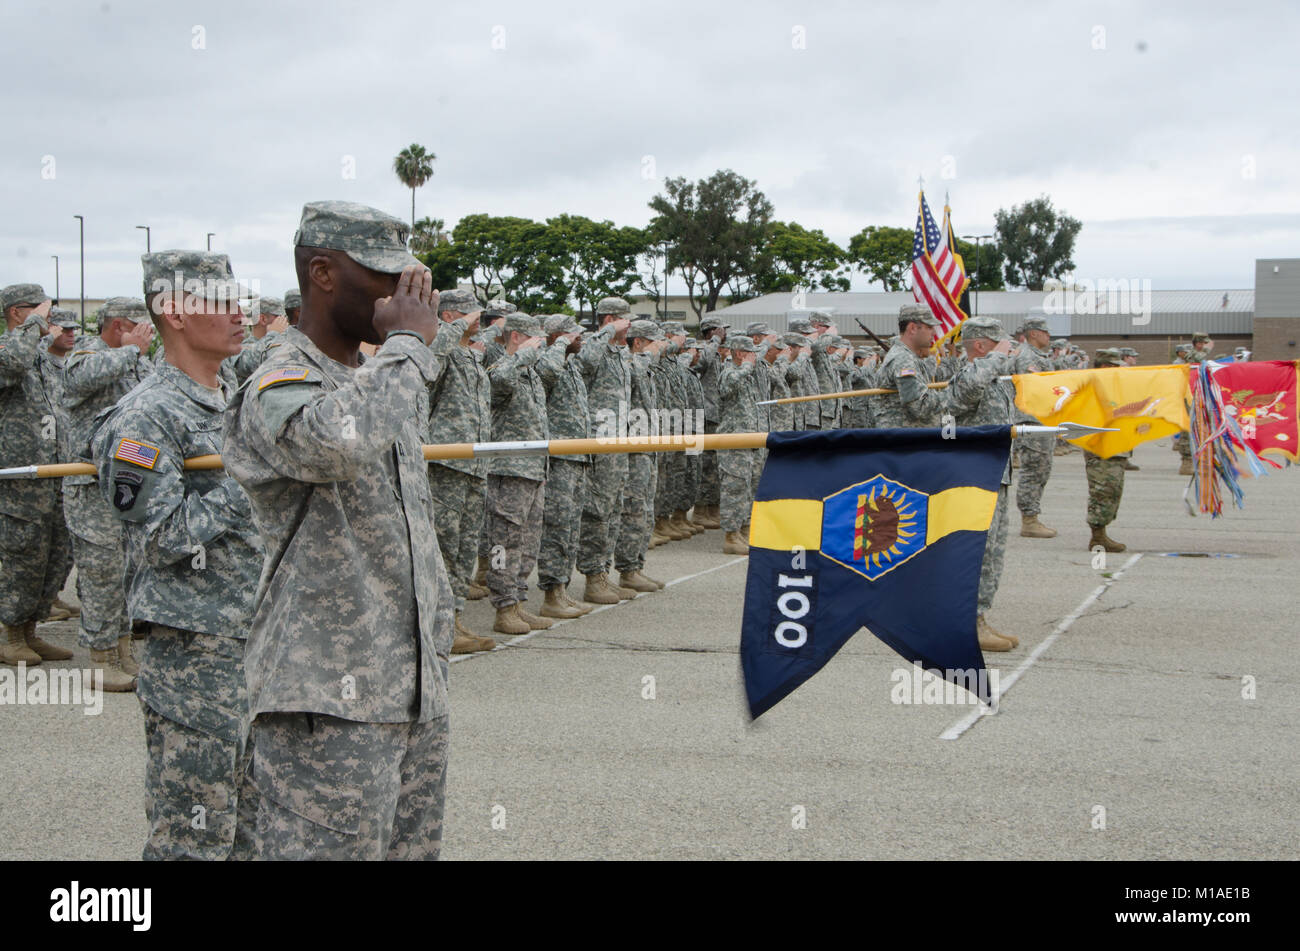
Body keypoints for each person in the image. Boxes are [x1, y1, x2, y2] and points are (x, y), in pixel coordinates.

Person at [222, 201, 453, 860]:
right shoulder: (281, 375)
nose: (400, 296)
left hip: (409, 691)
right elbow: (331, 446)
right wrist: (407, 343)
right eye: (383, 278)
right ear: (323, 273)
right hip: (327, 700)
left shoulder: (374, 377)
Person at [92, 251, 262, 859]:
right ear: (174, 314)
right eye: (219, 303)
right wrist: (247, 483)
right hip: (196, 652)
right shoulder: (145, 417)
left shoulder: (233, 397)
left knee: (253, 824)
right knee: (194, 833)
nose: (240, 314)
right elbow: (160, 537)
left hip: (254, 640)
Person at [64, 296, 157, 690]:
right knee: (101, 573)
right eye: (142, 328)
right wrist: (132, 350)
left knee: (126, 572)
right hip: (91, 488)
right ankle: (100, 660)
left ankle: (122, 651)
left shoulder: (136, 360)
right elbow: (80, 379)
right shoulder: (87, 354)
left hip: (127, 483)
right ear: (120, 326)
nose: (150, 336)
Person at [0, 283, 73, 667]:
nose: (49, 317)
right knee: (21, 557)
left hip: (54, 476)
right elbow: (10, 364)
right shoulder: (9, 350)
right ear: (17, 312)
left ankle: (30, 630)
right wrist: (32, 327)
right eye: (40, 309)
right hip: (20, 483)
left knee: (53, 558)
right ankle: (9, 634)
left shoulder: (43, 358)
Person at [421, 289, 493, 653]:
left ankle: (455, 619)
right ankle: (438, 626)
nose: (477, 320)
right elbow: (428, 360)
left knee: (465, 550)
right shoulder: (440, 348)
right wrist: (451, 328)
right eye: (469, 314)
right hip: (447, 464)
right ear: (449, 317)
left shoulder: (470, 355)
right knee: (445, 548)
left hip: (475, 466)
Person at [945, 317, 1020, 652]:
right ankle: (967, 622)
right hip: (975, 475)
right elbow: (962, 397)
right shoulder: (969, 372)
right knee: (978, 551)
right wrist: (995, 358)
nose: (1006, 349)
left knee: (993, 554)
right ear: (980, 344)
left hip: (997, 472)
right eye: (998, 343)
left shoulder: (995, 375)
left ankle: (980, 617)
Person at [484, 313, 554, 635]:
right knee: (504, 541)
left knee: (528, 541)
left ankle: (519, 602)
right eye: (534, 340)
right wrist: (523, 355)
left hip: (533, 469)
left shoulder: (531, 376)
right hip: (509, 470)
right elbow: (496, 383)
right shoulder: (504, 368)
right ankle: (503, 607)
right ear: (516, 337)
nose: (539, 346)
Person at [576, 298, 635, 605]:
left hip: (619, 440)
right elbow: (584, 362)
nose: (630, 327)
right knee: (598, 510)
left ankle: (604, 572)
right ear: (611, 319)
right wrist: (606, 330)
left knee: (613, 509)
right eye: (624, 321)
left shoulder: (618, 354)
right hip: (600, 439)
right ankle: (592, 576)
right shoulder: (594, 346)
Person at [535, 314, 593, 618]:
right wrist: (558, 345)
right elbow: (545, 373)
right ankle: (550, 592)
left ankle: (562, 590)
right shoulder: (549, 360)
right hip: (559, 457)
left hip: (577, 456)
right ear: (558, 337)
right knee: (557, 525)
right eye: (573, 334)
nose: (579, 338)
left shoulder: (571, 365)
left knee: (571, 526)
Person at [614, 320, 666, 591]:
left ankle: (636, 564)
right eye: (653, 342)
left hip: (648, 446)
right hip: (634, 448)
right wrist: (645, 355)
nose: (660, 348)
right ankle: (627, 568)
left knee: (646, 509)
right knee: (633, 509)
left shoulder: (647, 369)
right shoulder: (629, 363)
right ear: (638, 343)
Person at [1013, 311, 1060, 538]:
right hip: (1031, 420)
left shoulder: (1040, 356)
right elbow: (1036, 388)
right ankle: (1029, 519)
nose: (1049, 336)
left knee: (1043, 468)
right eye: (1045, 332)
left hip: (1043, 420)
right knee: (1033, 470)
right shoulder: (1027, 357)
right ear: (1033, 333)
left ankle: (1033, 516)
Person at [717, 337, 763, 555]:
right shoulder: (729, 372)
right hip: (733, 439)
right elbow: (727, 387)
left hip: (747, 439)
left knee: (745, 487)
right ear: (739, 354)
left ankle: (742, 530)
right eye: (750, 353)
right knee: (733, 487)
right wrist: (746, 367)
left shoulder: (747, 375)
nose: (754, 357)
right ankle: (730, 535)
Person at [1085, 349, 1130, 553]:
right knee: (1102, 491)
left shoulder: (1112, 385)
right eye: (1115, 365)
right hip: (1100, 447)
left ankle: (1102, 533)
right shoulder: (1093, 386)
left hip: (1115, 445)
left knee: (1113, 490)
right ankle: (1097, 537)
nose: (1119, 369)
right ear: (1105, 366)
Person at [873, 305, 947, 427]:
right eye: (929, 327)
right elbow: (920, 407)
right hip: (905, 440)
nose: (934, 332)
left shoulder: (909, 357)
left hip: (911, 438)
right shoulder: (903, 359)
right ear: (912, 328)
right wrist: (957, 390)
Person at [690, 315, 727, 528]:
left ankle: (712, 508)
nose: (724, 333)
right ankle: (700, 510)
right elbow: (702, 364)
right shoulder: (705, 350)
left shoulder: (717, 353)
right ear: (711, 332)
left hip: (715, 414)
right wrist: (713, 341)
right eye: (720, 330)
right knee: (705, 465)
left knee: (713, 465)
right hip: (705, 415)